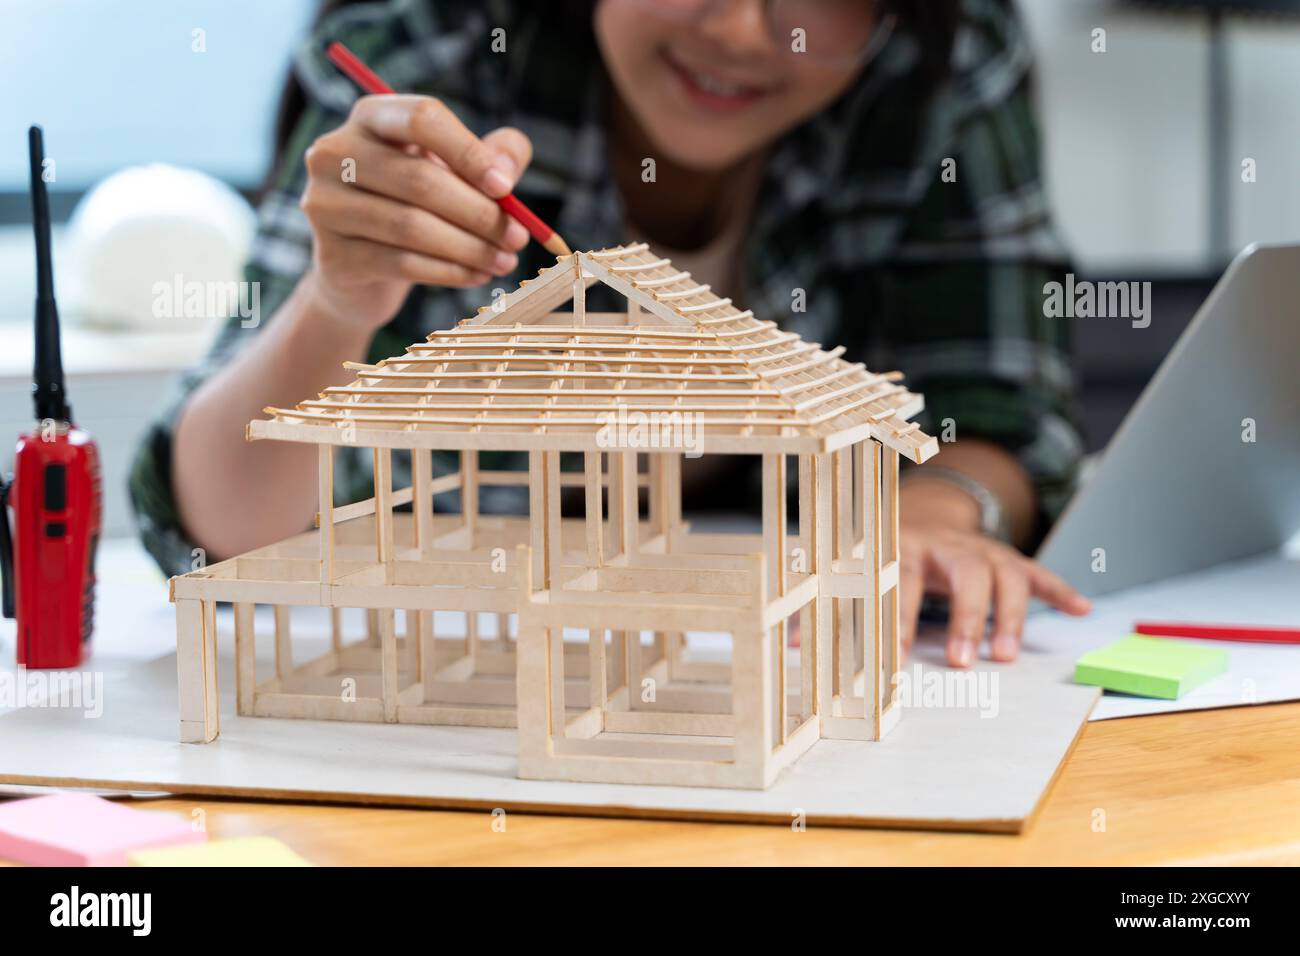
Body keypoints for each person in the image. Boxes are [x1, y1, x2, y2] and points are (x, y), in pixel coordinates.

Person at [130, 0, 1091, 669]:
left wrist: (931, 516)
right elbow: (224, 541)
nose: (740, 31)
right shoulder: (436, 59)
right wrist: (337, 304)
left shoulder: (940, 62)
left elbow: (997, 410)